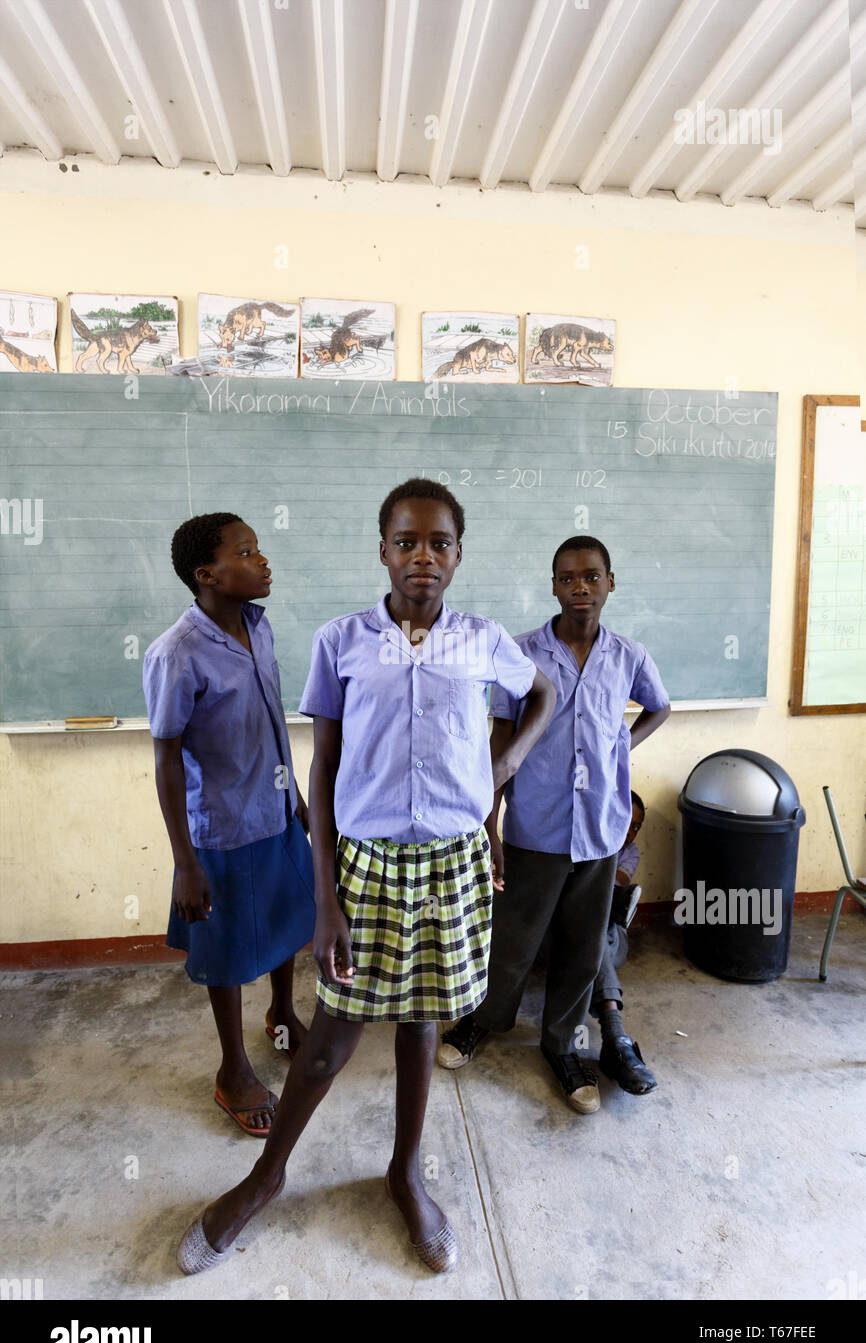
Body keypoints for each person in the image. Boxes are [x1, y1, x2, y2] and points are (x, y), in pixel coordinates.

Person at [176, 478, 556, 1275]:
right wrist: (325, 897)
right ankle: (266, 1177)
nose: (423, 556)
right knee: (333, 1034)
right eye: (406, 541)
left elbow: (542, 695)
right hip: (367, 862)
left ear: (458, 554)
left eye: (440, 542)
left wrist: (505, 765)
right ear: (382, 550)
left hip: (451, 863)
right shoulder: (341, 640)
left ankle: (405, 1172)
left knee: (423, 1022)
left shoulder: (484, 640)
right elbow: (324, 771)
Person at [437, 536, 670, 1114]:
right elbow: (499, 742)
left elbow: (659, 707)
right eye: (567, 578)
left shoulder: (629, 656)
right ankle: (483, 1022)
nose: (580, 588)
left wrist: (623, 746)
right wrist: (490, 825)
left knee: (583, 947)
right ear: (554, 586)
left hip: (600, 829)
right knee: (514, 942)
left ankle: (563, 1047)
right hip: (535, 826)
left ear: (610, 583)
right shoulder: (521, 653)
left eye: (591, 577)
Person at [143, 513, 315, 1138]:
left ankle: (282, 1013)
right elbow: (164, 760)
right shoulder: (177, 654)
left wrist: (293, 791)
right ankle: (233, 1069)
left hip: (274, 812)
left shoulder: (256, 628)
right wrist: (187, 862)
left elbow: (271, 721)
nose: (263, 559)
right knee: (228, 950)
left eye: (259, 548)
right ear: (207, 574)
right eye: (247, 551)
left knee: (286, 920)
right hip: (221, 829)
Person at [591, 790, 657, 1094]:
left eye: (636, 827)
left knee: (599, 925)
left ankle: (612, 911)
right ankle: (617, 1041)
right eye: (626, 822)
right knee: (592, 932)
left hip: (615, 939)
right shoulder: (586, 837)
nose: (630, 832)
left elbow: (617, 879)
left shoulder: (630, 853)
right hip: (586, 934)